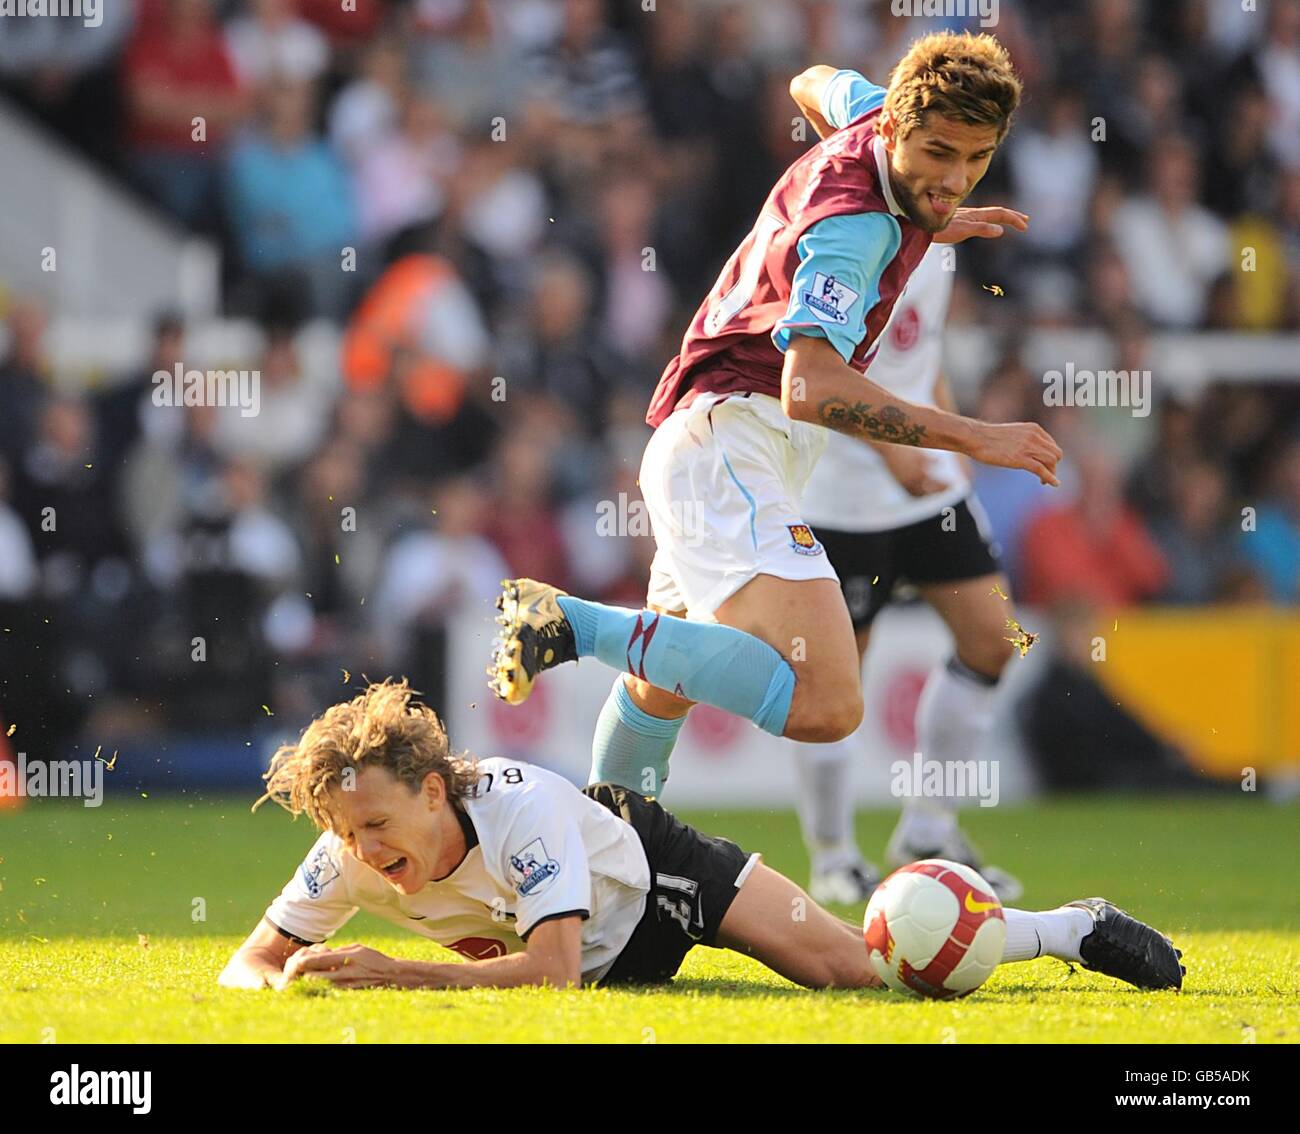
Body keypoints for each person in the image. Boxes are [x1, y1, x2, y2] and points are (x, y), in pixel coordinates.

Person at [488, 33, 1060, 807]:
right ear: (894, 128)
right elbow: (809, 387)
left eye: (976, 157)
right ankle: (572, 622)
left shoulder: (867, 120)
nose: (955, 178)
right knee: (828, 701)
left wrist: (930, 211)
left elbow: (810, 81)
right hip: (734, 439)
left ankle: (611, 855)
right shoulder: (852, 234)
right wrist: (974, 435)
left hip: (714, 439)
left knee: (661, 684)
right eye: (938, 152)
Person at [218, 681, 1183, 994]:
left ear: (435, 793)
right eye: (346, 831)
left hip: (655, 884)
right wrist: (283, 985)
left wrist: (405, 974)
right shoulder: (349, 853)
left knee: (862, 969)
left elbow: (552, 975)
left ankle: (1066, 928)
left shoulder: (523, 811)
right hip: (602, 967)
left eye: (377, 823)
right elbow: (250, 967)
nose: (364, 851)